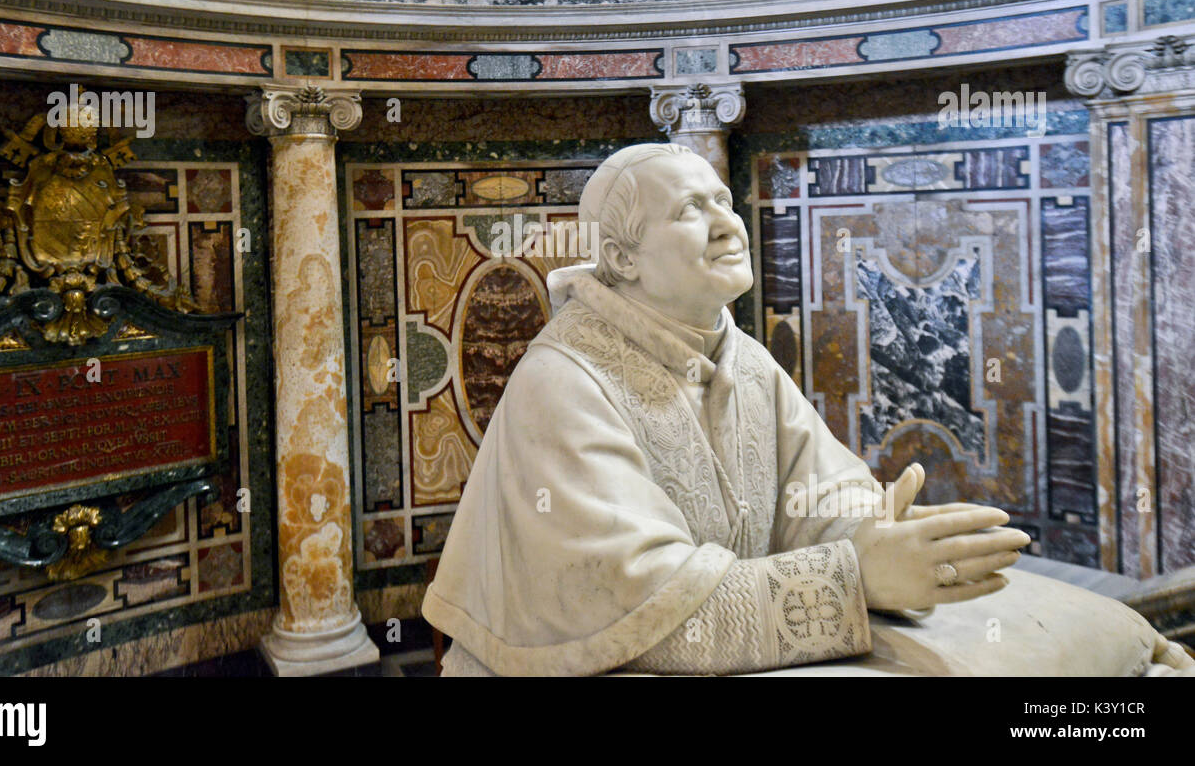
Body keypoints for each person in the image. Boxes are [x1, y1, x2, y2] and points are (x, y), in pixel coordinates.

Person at [423, 143, 1032, 676]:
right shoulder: (561, 381)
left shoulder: (745, 361)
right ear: (624, 258)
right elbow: (639, 612)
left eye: (723, 200)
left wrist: (876, 535)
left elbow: (815, 498)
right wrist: (856, 577)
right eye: (691, 209)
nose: (726, 225)